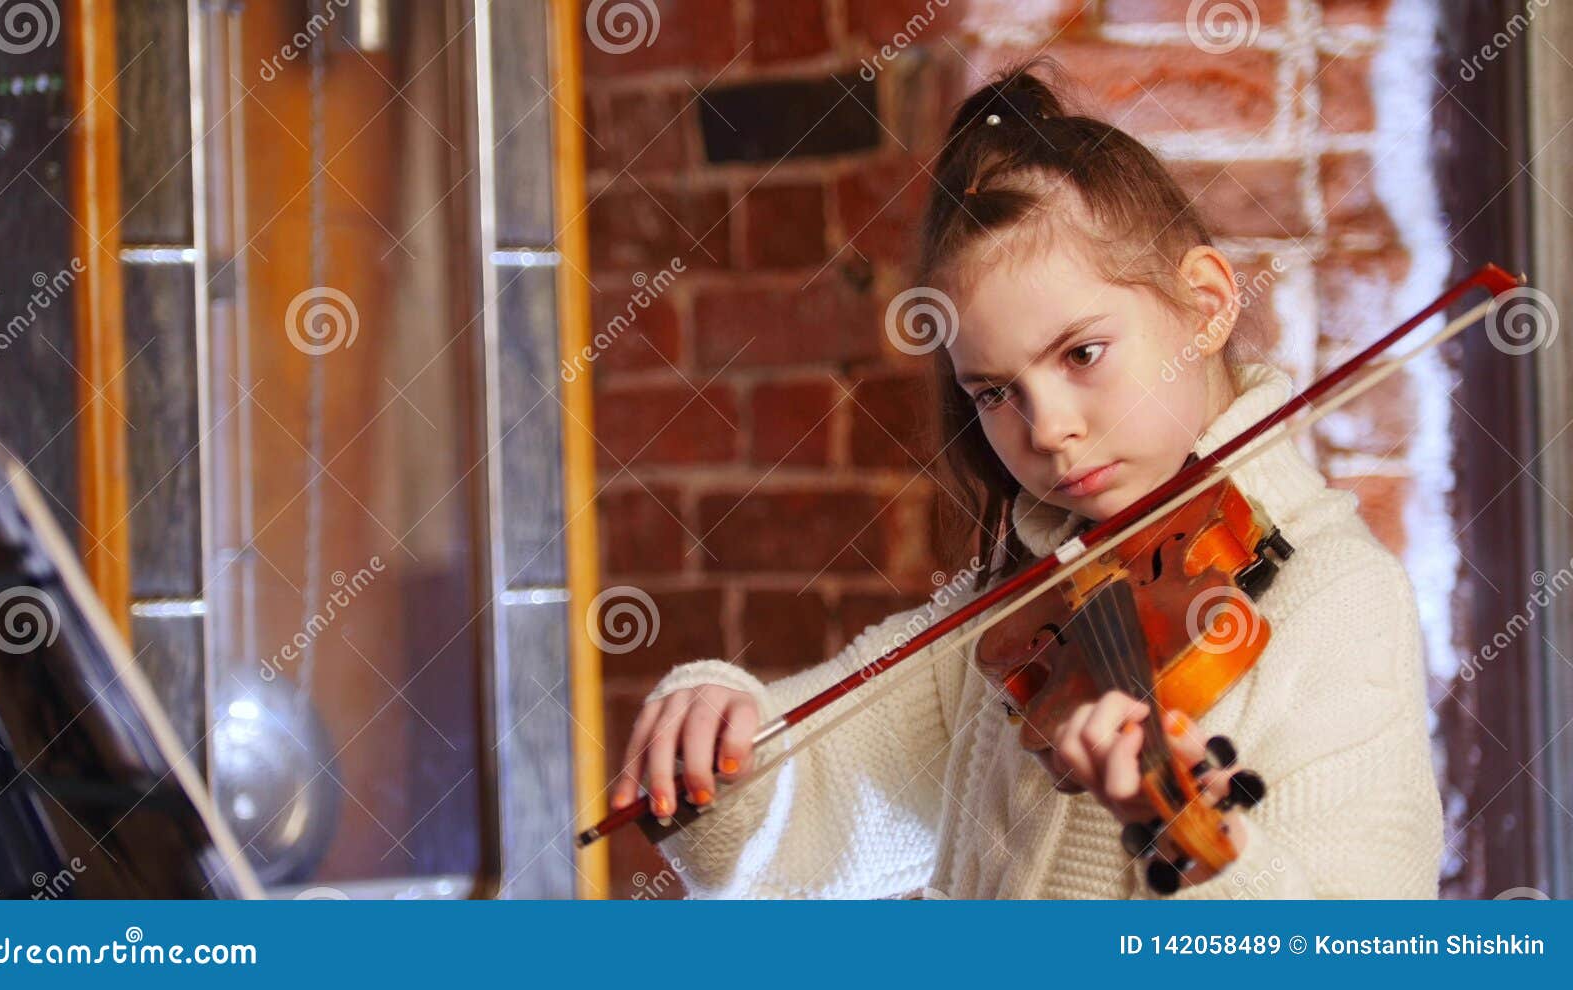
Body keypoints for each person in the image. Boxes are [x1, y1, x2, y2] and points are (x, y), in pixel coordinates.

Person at [608, 55, 1444, 899]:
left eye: (1082, 354)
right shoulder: (1023, 605)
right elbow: (821, 795)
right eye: (996, 393)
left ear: (1205, 301)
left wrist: (1182, 840)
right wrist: (721, 724)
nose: (1049, 431)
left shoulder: (1337, 598)